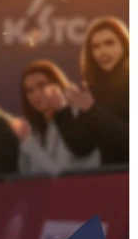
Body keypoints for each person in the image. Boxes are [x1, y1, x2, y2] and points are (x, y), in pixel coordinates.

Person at [53, 17, 128, 167]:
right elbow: (81, 147)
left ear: (125, 46)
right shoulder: (95, 90)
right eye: (96, 46)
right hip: (112, 180)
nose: (102, 51)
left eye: (109, 43)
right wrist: (62, 110)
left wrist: (92, 109)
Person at [16, 60, 100, 176]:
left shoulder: (77, 116)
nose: (36, 94)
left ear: (58, 85)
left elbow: (61, 174)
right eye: (30, 91)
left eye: (42, 85)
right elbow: (27, 173)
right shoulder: (35, 128)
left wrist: (29, 143)